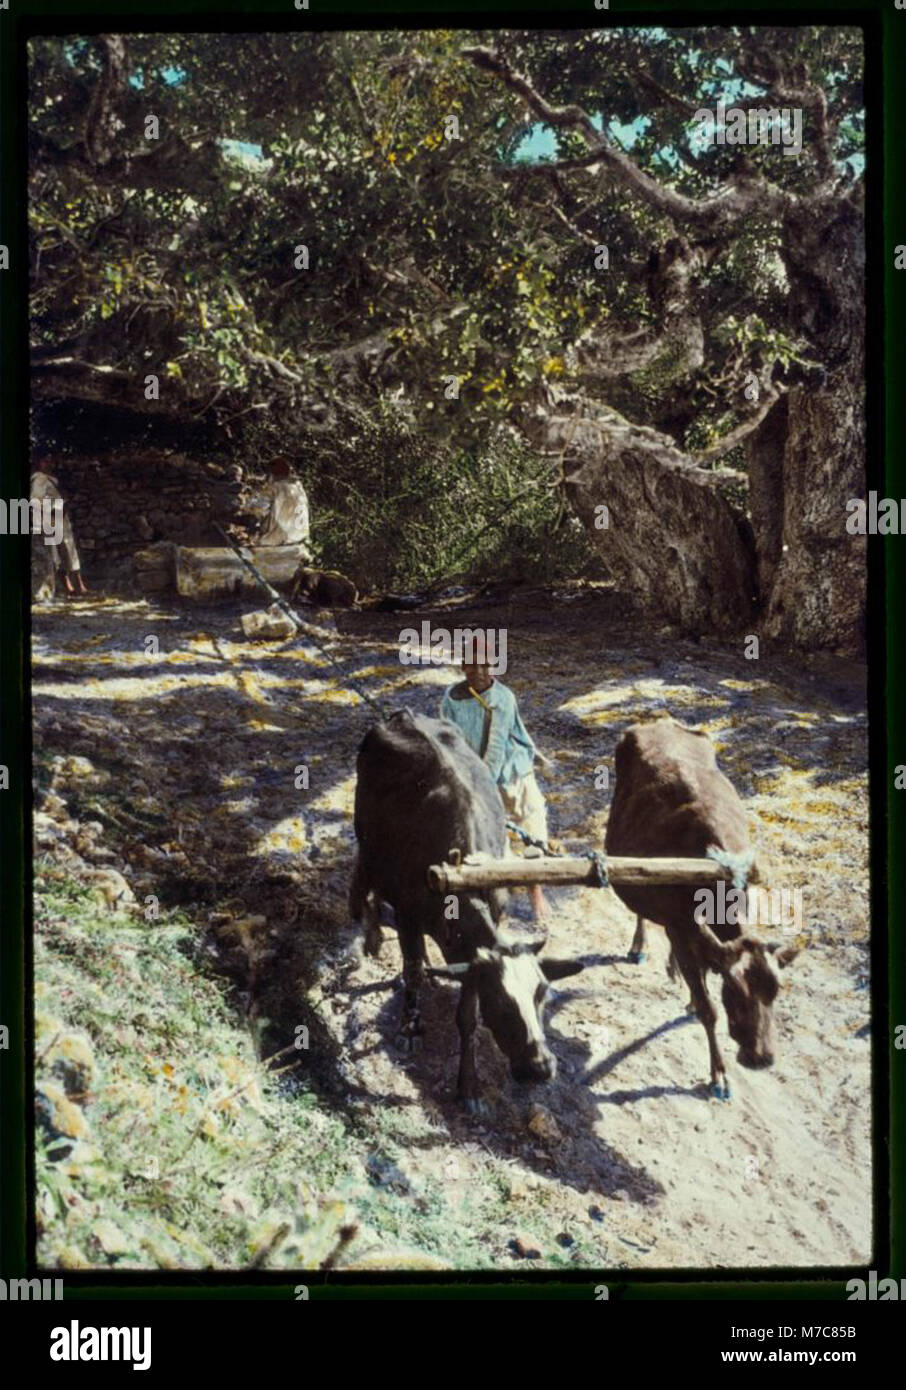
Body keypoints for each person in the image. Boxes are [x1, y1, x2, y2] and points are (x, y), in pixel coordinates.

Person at [440, 659, 549, 921]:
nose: (478, 672)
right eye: (472, 666)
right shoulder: (451, 698)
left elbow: (497, 747)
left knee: (532, 830)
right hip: (476, 775)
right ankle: (499, 897)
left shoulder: (503, 698)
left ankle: (536, 893)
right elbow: (450, 739)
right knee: (490, 836)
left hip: (512, 774)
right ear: (463, 667)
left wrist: (482, 785)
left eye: (485, 666)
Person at [30, 465, 88, 596]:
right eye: (45, 460)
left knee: (67, 552)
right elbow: (36, 501)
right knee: (58, 554)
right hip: (51, 521)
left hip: (58, 520)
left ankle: (76, 587)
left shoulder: (51, 479)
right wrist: (53, 512)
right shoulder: (40, 479)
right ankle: (70, 587)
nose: (49, 463)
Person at [256, 455, 311, 554]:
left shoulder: (274, 488)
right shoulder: (299, 488)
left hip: (278, 544)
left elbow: (257, 509)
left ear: (272, 474)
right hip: (300, 543)